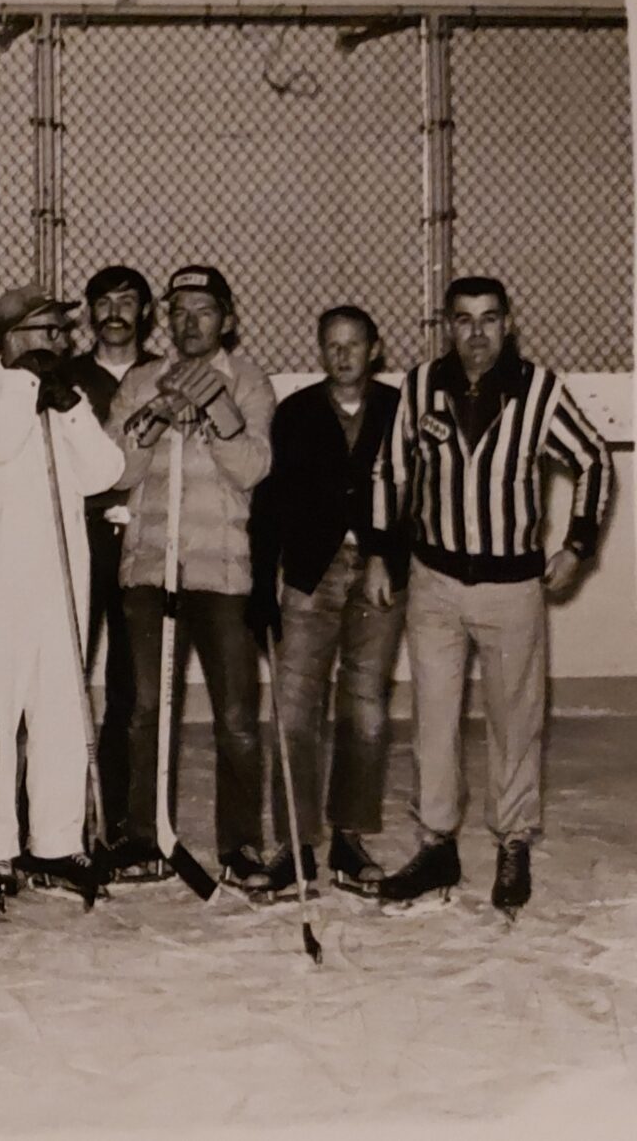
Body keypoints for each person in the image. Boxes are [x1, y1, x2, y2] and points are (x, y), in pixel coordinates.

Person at [366, 277, 613, 916]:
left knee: (515, 721)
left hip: (511, 588)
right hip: (435, 585)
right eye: (463, 320)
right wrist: (378, 553)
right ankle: (437, 843)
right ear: (447, 325)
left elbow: (593, 461)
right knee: (434, 721)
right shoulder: (420, 387)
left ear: (507, 324)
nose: (476, 334)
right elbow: (389, 471)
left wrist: (577, 545)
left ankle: (513, 842)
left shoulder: (538, 390)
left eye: (489, 319)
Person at [0, 284, 124, 907]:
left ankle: (55, 838)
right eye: (41, 333)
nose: (54, 344)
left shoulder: (60, 399)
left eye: (58, 334)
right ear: (6, 340)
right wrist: (27, 385)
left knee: (61, 709)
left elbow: (107, 472)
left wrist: (71, 408)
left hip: (58, 580)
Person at [105, 266, 276, 890]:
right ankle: (145, 837)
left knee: (235, 715)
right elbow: (114, 472)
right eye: (178, 311)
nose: (189, 322)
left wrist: (214, 405)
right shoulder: (141, 380)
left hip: (220, 573)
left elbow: (253, 467)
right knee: (147, 708)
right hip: (152, 568)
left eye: (203, 310)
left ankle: (241, 846)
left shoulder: (249, 380)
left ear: (226, 318)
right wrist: (155, 416)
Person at [246, 305, 407, 898]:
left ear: (374, 349)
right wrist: (263, 587)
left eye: (354, 344)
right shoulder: (296, 413)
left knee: (365, 707)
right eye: (331, 345)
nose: (342, 355)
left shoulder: (398, 409)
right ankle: (295, 842)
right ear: (320, 351)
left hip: (377, 578)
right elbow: (269, 506)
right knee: (294, 708)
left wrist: (386, 554)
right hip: (309, 579)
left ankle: (347, 838)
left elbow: (415, 497)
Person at [61, 265, 160, 841]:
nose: (115, 311)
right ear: (90, 312)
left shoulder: (161, 376)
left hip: (142, 540)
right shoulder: (69, 378)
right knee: (67, 676)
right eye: (104, 301)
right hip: (81, 536)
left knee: (130, 682)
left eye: (128, 301)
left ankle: (119, 814)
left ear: (145, 312)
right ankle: (64, 813)